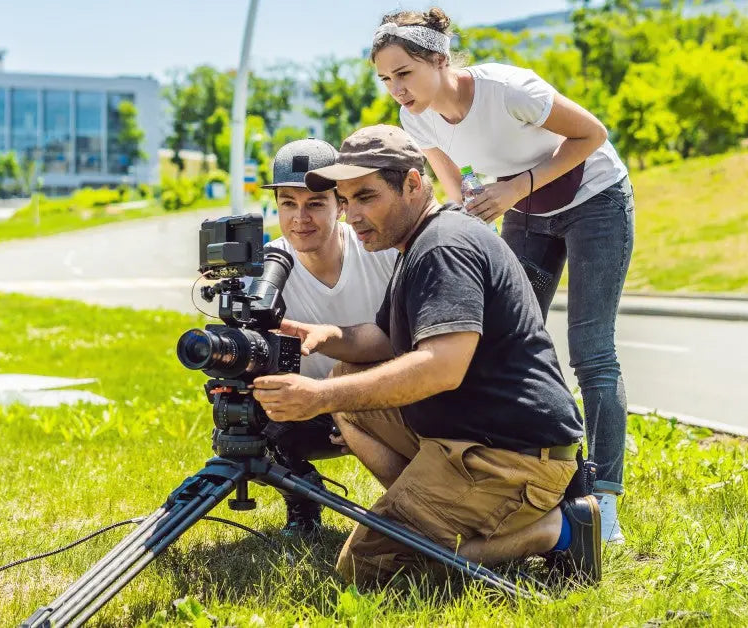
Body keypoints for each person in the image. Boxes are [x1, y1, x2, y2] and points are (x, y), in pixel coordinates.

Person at [251, 125, 602, 585]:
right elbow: (382, 337)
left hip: (510, 458)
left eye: (367, 197)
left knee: (369, 569)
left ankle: (556, 530)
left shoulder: (443, 247)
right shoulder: (418, 242)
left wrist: (320, 397)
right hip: (470, 433)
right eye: (347, 199)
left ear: (414, 184)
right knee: (348, 377)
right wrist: (324, 334)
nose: (352, 215)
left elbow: (442, 366)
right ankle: (428, 511)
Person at [371, 8, 635, 543]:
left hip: (596, 200)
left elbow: (591, 135)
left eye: (404, 73)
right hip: (524, 210)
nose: (396, 89)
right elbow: (457, 188)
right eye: (385, 79)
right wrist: (467, 236)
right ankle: (531, 472)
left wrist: (515, 189)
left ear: (439, 60)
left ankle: (601, 498)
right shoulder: (416, 120)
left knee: (591, 351)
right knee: (507, 344)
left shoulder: (509, 90)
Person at [258, 138, 397, 538]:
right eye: (288, 203)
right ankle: (302, 497)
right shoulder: (267, 269)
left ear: (341, 203)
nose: (300, 218)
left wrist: (354, 404)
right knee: (238, 427)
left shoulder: (380, 251)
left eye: (315, 203)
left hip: (391, 400)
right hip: (310, 410)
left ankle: (419, 505)